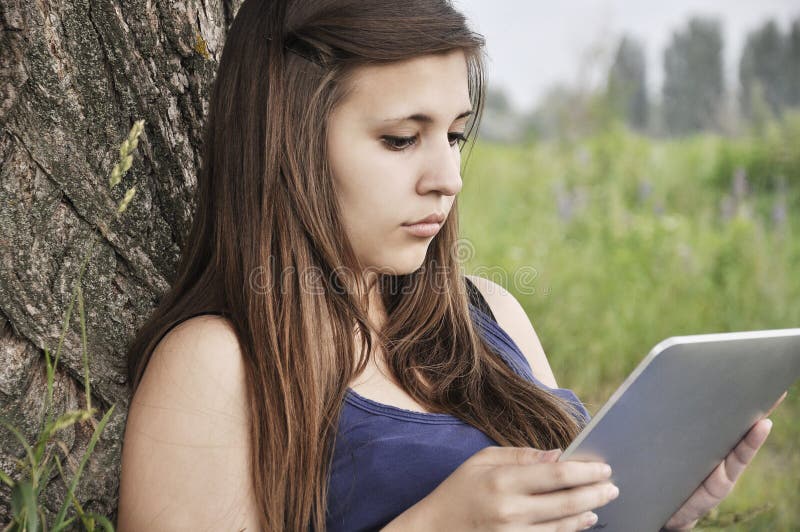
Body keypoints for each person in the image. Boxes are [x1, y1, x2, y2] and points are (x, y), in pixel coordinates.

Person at [116, 1, 779, 530]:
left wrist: (654, 511)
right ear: (286, 141)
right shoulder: (213, 362)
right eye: (401, 139)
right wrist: (437, 524)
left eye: (455, 135)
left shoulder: (490, 313)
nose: (448, 178)